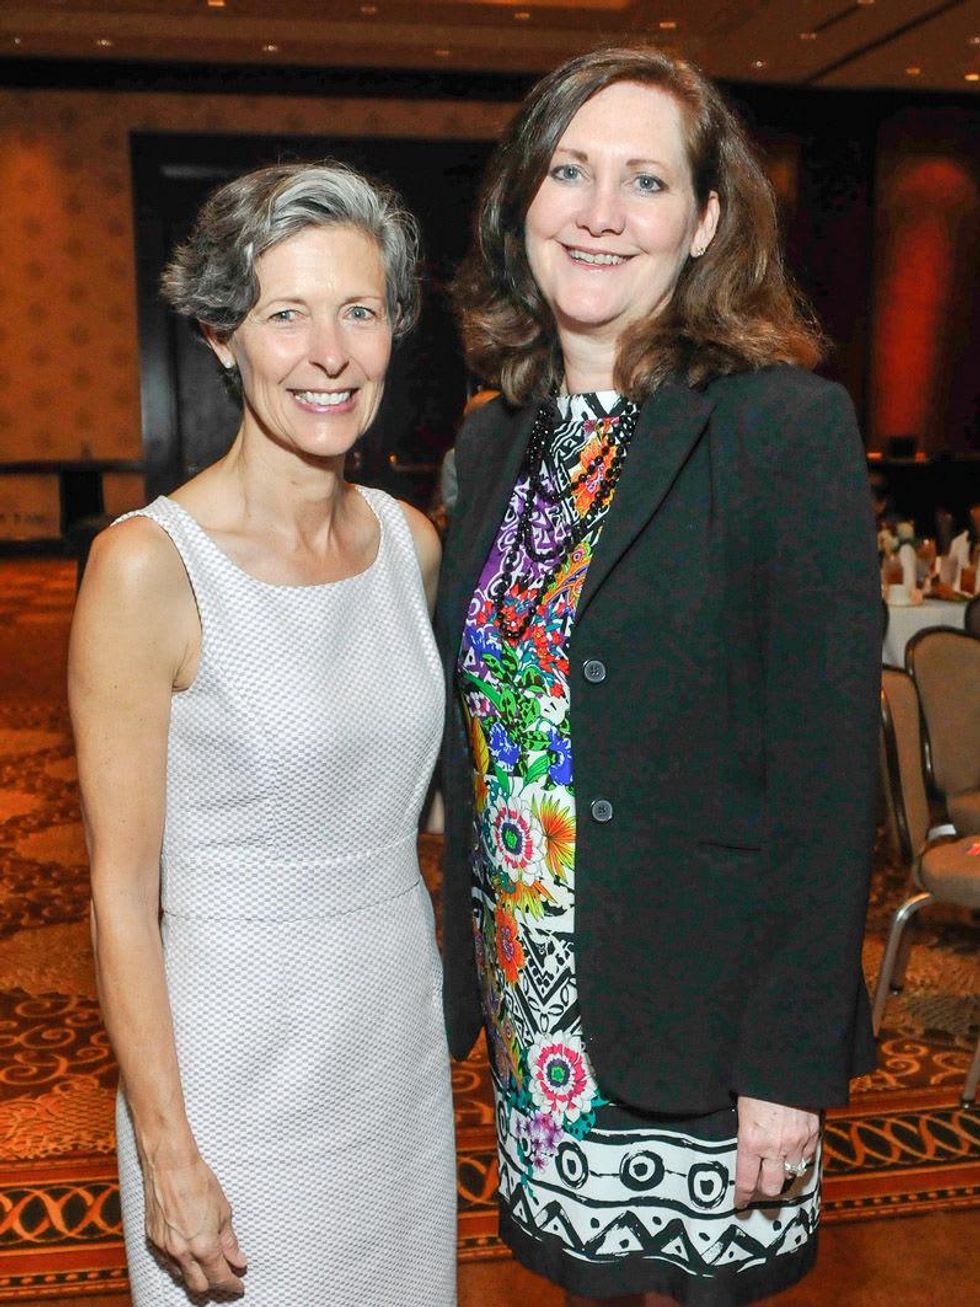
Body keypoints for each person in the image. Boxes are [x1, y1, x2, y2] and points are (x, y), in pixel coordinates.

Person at [436, 46, 880, 1307]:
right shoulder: (492, 439)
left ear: (704, 223)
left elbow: (827, 771)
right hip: (541, 1018)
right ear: (521, 199)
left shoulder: (779, 427)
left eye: (645, 181)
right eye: (569, 171)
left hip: (712, 1025)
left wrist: (787, 1063)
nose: (599, 211)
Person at [69, 162, 457, 1305]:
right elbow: (119, 896)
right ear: (223, 336)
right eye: (285, 314)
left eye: (360, 309)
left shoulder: (410, 544)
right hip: (234, 1069)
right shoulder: (149, 567)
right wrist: (169, 1150)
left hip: (392, 1051)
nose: (328, 352)